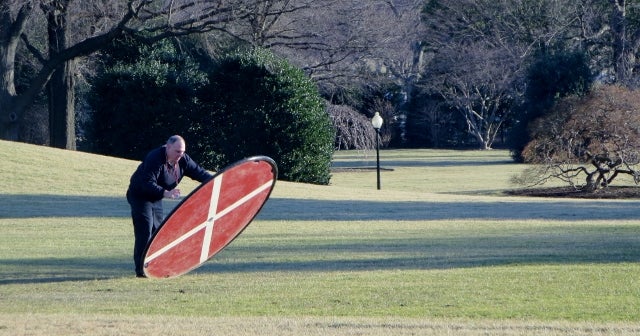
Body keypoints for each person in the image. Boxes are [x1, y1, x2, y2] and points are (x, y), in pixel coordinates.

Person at [126, 135, 213, 278]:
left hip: (157, 197)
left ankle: (156, 265)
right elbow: (146, 182)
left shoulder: (183, 160)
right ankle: (141, 270)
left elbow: (200, 173)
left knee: (158, 232)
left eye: (182, 151)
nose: (180, 155)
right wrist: (165, 193)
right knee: (145, 230)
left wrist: (218, 182)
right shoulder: (155, 158)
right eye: (177, 151)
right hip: (140, 196)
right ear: (168, 147)